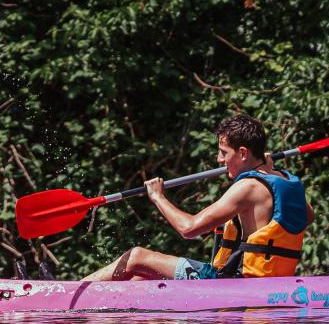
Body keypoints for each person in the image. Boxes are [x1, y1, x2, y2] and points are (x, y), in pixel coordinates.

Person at [80, 114, 313, 282]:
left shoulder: (247, 187)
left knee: (136, 256)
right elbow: (307, 216)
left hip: (233, 281)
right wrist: (269, 170)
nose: (219, 160)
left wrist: (158, 196)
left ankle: (70, 291)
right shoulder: (285, 180)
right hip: (268, 281)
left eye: (224, 153)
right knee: (141, 278)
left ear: (243, 153)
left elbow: (188, 228)